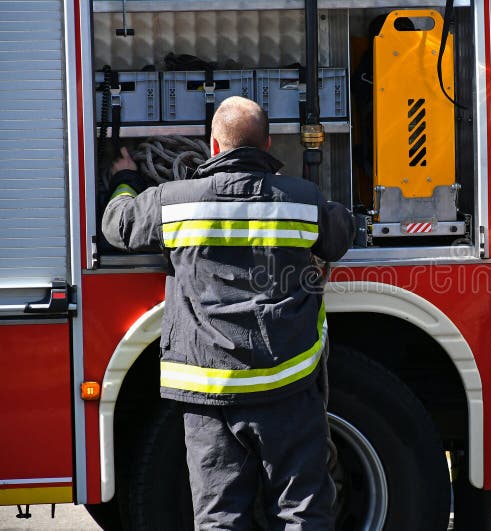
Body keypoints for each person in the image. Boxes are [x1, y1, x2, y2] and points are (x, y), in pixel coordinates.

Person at [103, 96, 354, 530]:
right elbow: (339, 236)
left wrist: (126, 179)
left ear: (214, 146)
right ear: (268, 144)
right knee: (301, 512)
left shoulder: (173, 203)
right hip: (287, 387)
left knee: (219, 518)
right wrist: (321, 205)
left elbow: (118, 224)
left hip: (209, 393)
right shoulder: (300, 200)